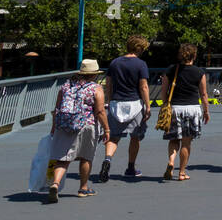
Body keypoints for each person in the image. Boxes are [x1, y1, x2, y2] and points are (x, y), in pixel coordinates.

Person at [47, 59, 109, 201]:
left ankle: (55, 184)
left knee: (63, 159)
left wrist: (53, 127)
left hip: (65, 125)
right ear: (94, 75)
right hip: (86, 125)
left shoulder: (66, 86)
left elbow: (56, 109)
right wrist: (107, 129)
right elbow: (99, 111)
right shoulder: (95, 88)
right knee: (86, 157)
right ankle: (83, 188)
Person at [100, 35, 151, 182]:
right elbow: (143, 86)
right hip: (134, 104)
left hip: (116, 104)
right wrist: (147, 105)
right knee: (135, 137)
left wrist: (109, 100)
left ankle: (107, 160)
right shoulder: (140, 64)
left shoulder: (115, 63)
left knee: (114, 138)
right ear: (139, 48)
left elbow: (108, 83)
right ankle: (130, 168)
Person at [159, 44, 210, 181]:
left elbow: (163, 91)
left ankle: (171, 161)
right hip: (192, 109)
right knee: (186, 143)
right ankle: (181, 172)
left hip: (175, 108)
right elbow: (203, 94)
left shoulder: (171, 70)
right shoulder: (199, 72)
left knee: (174, 139)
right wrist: (206, 111)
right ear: (194, 55)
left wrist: (165, 106)